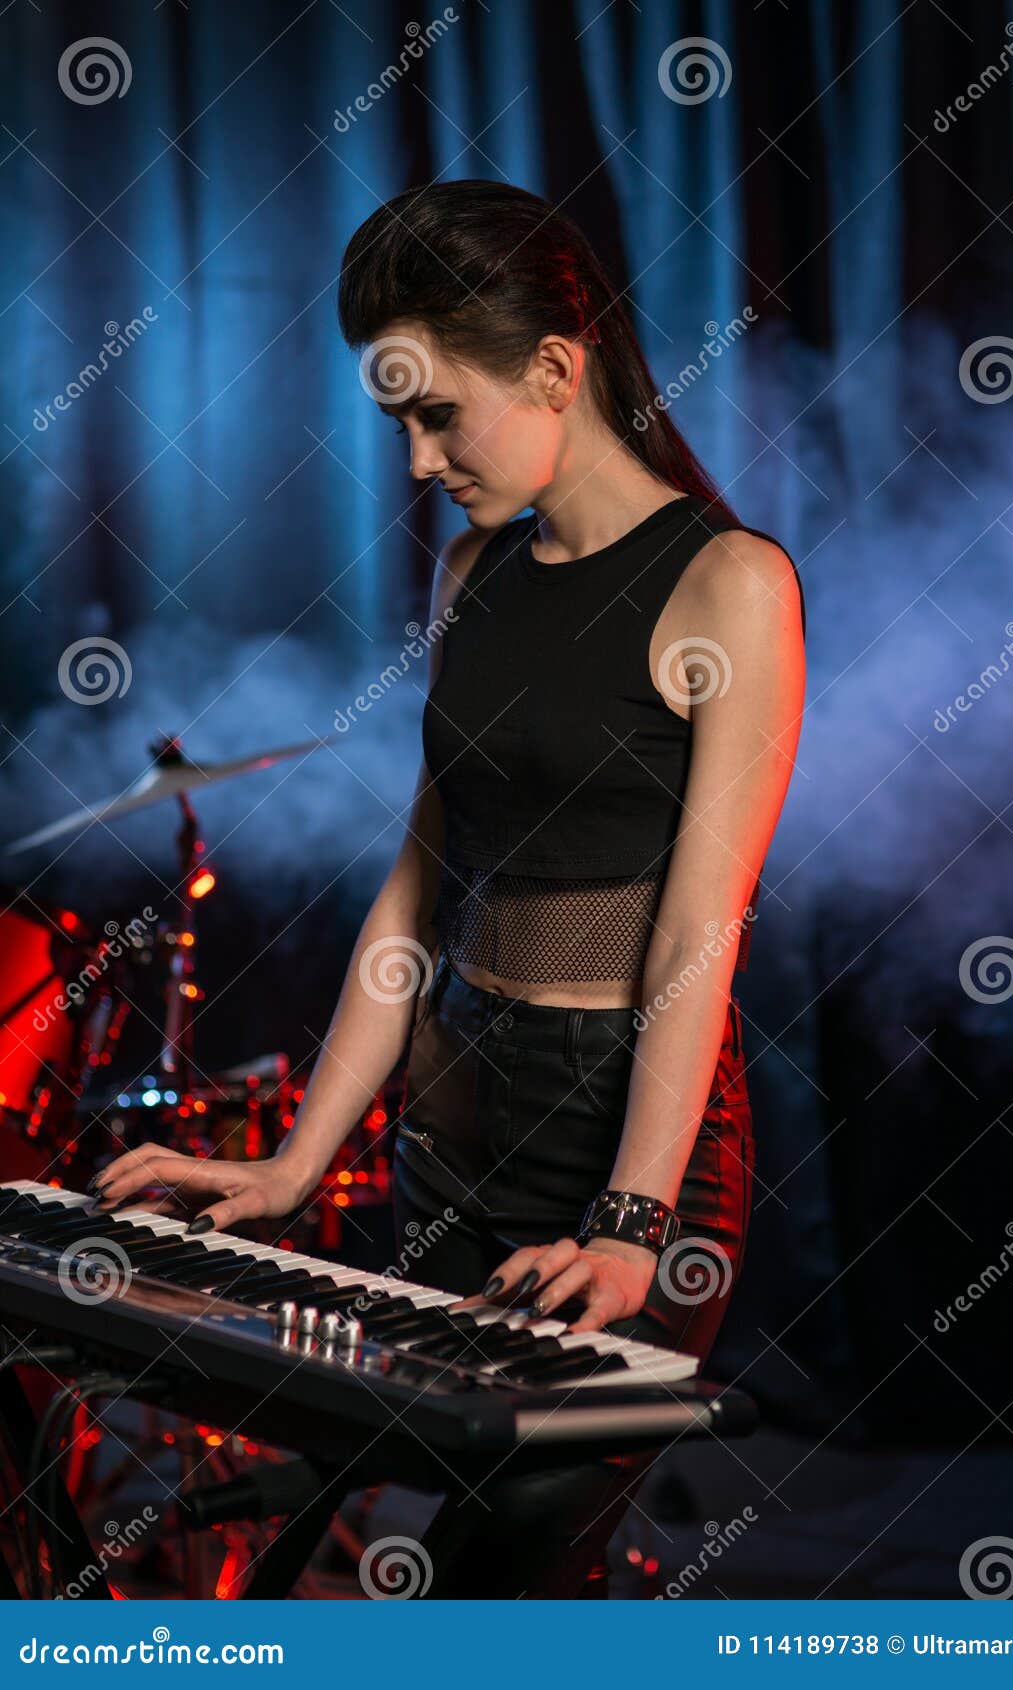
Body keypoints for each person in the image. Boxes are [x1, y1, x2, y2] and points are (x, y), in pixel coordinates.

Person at [93, 179, 806, 1598]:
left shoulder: (733, 586)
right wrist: (297, 1164)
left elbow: (696, 936)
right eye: (397, 423)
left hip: (630, 1142)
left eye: (439, 415)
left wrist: (629, 1222)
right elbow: (415, 899)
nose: (419, 464)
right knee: (472, 1539)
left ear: (554, 367)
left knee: (503, 1562)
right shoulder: (475, 572)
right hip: (457, 1124)